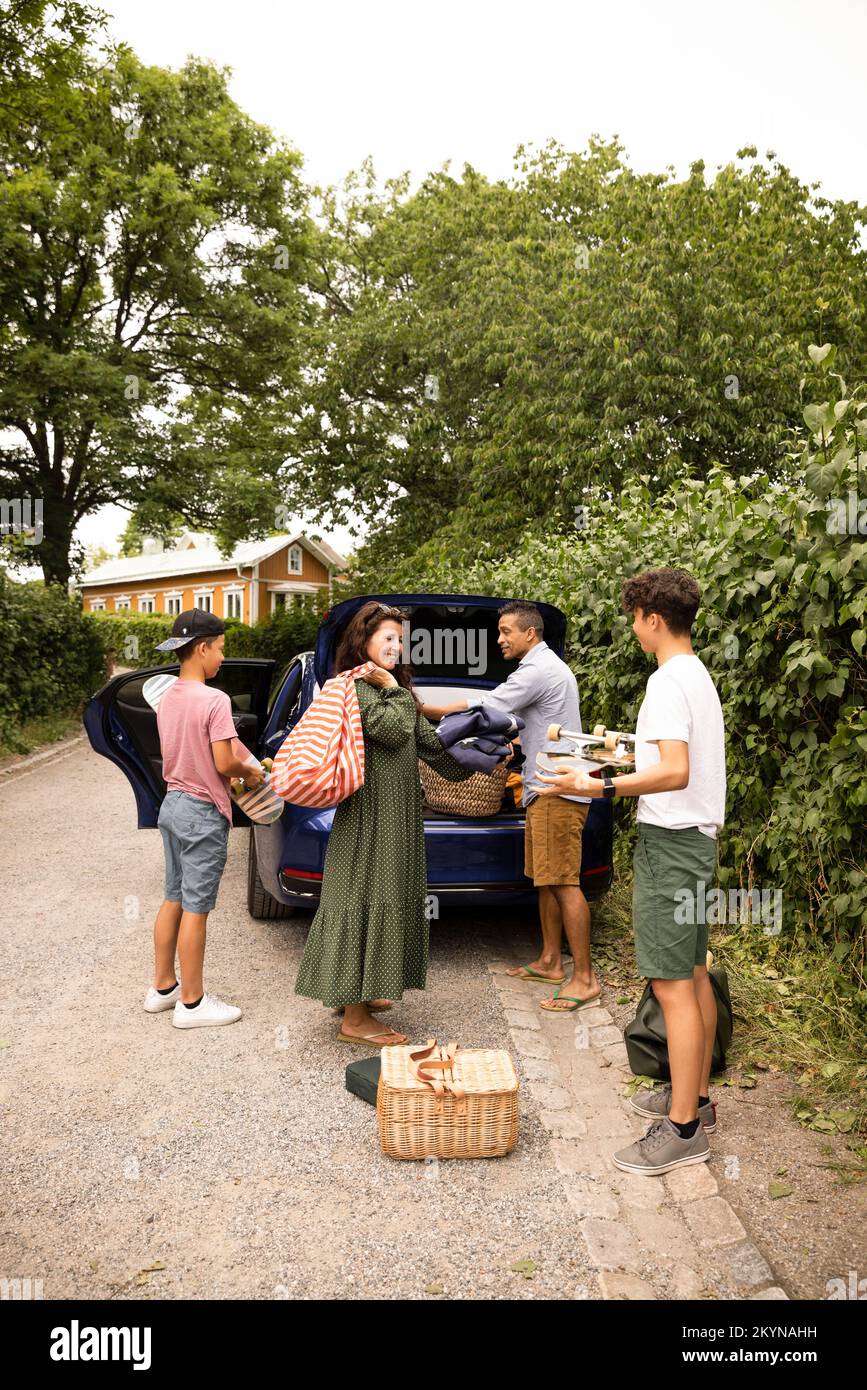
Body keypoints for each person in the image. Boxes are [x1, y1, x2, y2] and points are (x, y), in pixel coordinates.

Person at [535, 568, 726, 1176]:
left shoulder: (669, 683)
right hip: (693, 840)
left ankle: (683, 1129)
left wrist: (599, 783)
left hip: (671, 845)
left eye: (634, 616)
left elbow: (673, 770)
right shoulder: (695, 675)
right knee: (692, 974)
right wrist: (616, 755)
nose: (633, 627)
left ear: (652, 618)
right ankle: (691, 1097)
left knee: (671, 985)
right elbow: (672, 761)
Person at [294, 602, 475, 1046]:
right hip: (371, 814)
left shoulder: (393, 690)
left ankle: (356, 991)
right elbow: (394, 731)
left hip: (398, 816)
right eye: (387, 638)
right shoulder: (358, 688)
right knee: (365, 895)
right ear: (363, 644)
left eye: (400, 638)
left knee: (382, 893)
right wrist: (394, 686)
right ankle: (354, 1020)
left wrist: (478, 760)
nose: (396, 645)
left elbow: (428, 746)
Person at [423, 601, 599, 1013]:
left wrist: (421, 710)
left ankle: (585, 978)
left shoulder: (538, 670)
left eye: (505, 632)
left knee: (564, 882)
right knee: (543, 879)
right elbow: (517, 725)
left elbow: (486, 709)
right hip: (544, 785)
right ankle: (551, 961)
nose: (499, 639)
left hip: (558, 788)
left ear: (530, 634)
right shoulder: (540, 668)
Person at [144, 609, 265, 1029]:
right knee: (196, 908)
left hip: (172, 806)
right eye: (220, 649)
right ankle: (192, 1005)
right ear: (201, 648)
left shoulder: (168, 697)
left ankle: (163, 988)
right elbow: (224, 762)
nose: (221, 658)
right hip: (200, 813)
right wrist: (251, 772)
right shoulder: (215, 700)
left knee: (173, 896)